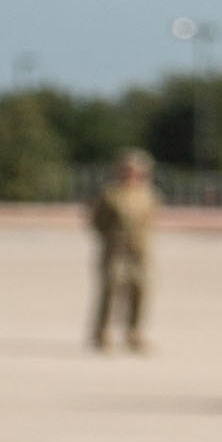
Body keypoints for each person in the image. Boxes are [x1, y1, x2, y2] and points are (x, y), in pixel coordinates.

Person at [84, 148, 156, 352]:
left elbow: (150, 221)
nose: (133, 174)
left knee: (140, 291)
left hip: (140, 252)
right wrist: (111, 239)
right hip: (115, 251)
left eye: (137, 170)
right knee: (110, 291)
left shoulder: (148, 194)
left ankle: (134, 333)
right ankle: (102, 333)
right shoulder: (110, 194)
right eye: (129, 169)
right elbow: (97, 222)